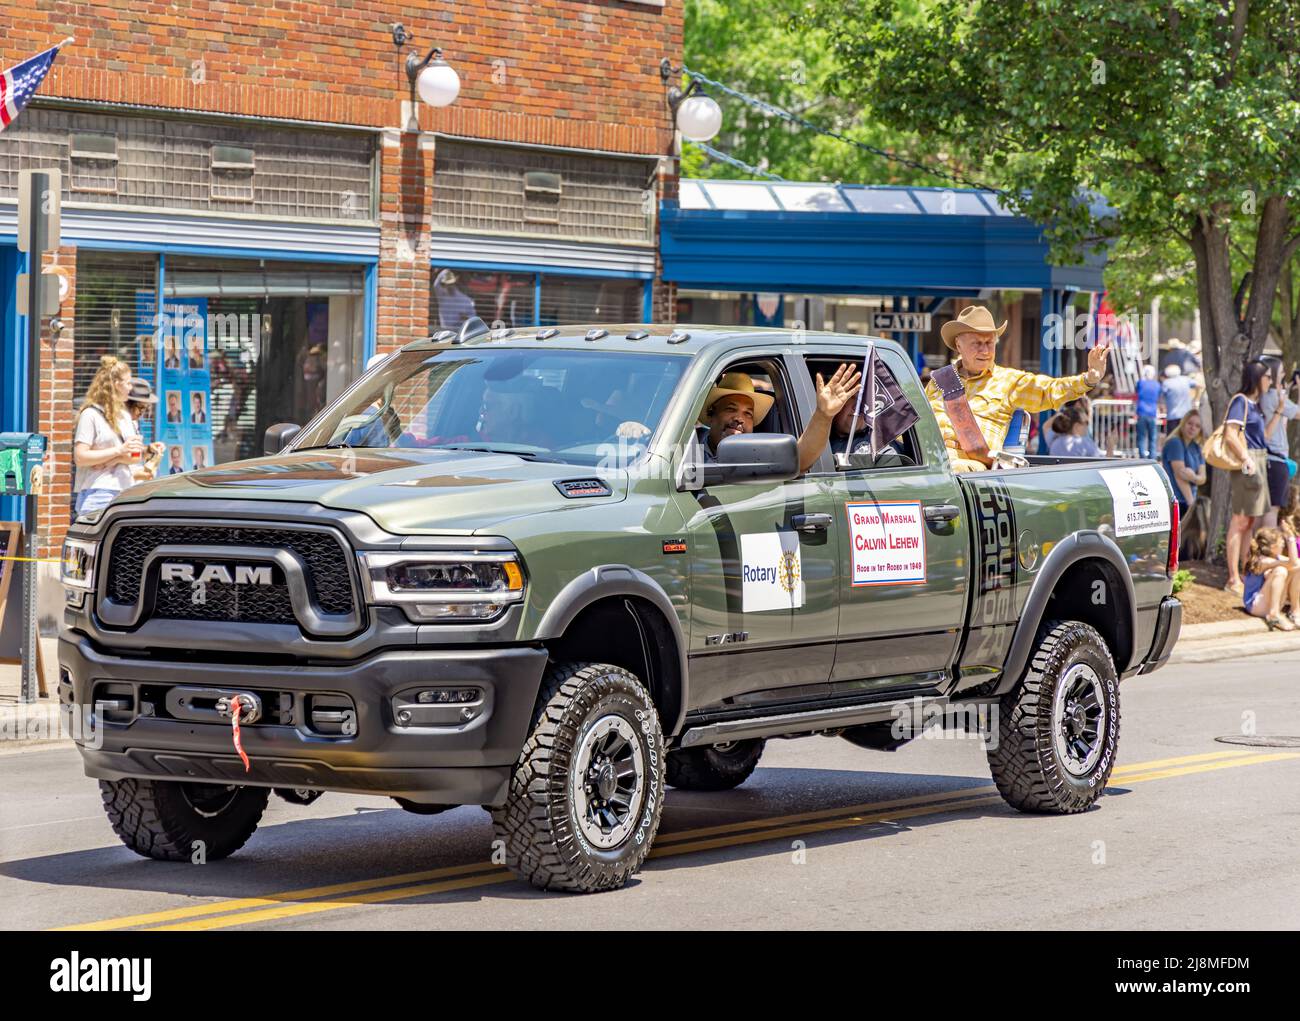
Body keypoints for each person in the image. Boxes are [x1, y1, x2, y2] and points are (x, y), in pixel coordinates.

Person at [924, 305, 1109, 472]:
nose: (985, 351)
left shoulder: (1008, 382)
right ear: (958, 345)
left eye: (989, 343)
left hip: (965, 469)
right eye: (976, 344)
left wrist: (1089, 379)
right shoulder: (938, 381)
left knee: (947, 469)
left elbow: (1050, 390)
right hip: (925, 457)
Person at [696, 366, 861, 474]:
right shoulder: (685, 448)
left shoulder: (757, 454)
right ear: (711, 414)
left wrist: (824, 416)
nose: (739, 418)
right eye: (731, 409)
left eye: (749, 414)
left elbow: (800, 460)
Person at [1224, 359, 1274, 594]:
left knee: (1250, 520)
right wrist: (1246, 458)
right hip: (1249, 463)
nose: (1271, 382)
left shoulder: (1256, 404)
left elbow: (1263, 435)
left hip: (1259, 460)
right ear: (1257, 378)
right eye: (1268, 377)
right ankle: (1233, 578)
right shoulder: (1241, 401)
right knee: (1240, 520)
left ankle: (1244, 573)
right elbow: (1230, 433)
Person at [72, 356, 143, 518]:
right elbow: (81, 457)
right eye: (128, 383)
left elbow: (135, 456)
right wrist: (119, 451)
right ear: (116, 385)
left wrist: (113, 459)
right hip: (98, 492)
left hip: (126, 491)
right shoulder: (90, 415)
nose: (130, 388)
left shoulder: (125, 416)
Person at [1257, 361, 1300, 527]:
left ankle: (1254, 550)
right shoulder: (1275, 397)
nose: (1284, 375)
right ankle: (1266, 548)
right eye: (1281, 372)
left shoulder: (1263, 396)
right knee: (1272, 509)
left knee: (1261, 509)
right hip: (1276, 459)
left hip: (1265, 458)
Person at [1241, 526, 1300, 631]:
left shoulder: (1274, 558)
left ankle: (1295, 611)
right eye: (1281, 541)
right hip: (1256, 606)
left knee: (1296, 569)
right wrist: (1291, 538)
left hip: (1265, 603)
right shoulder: (1263, 561)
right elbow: (1293, 562)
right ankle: (1274, 614)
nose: (1283, 544)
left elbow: (1296, 564)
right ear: (1273, 547)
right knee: (1281, 571)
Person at [1160, 410, 1206, 518]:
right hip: (1176, 502)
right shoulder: (1175, 443)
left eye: (1197, 426)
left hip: (1189, 501)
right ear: (1183, 423)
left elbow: (1203, 478)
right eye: (1189, 423)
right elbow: (1179, 476)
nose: (1192, 428)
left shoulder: (1196, 447)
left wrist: (1193, 477)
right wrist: (1191, 505)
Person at [125, 378, 167, 481]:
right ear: (127, 403)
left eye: (145, 408)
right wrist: (134, 476)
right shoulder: (115, 425)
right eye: (140, 407)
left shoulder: (133, 423)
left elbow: (133, 454)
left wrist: (148, 450)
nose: (142, 412)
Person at [1135, 364, 1162, 459]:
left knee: (1142, 437)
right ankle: (1152, 457)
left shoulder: (1141, 383)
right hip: (1152, 413)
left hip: (1142, 412)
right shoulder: (1157, 385)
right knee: (1152, 438)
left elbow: (1137, 390)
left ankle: (1142, 456)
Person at [1161, 363, 1194, 434]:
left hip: (1172, 415)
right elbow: (1198, 385)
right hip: (1186, 414)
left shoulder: (1166, 383)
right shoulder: (1186, 380)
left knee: (1173, 437)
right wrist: (1195, 398)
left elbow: (1161, 396)